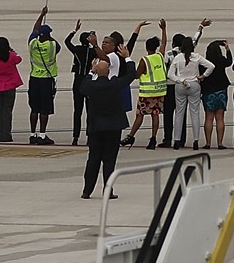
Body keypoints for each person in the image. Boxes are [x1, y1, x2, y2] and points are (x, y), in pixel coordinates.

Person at [80, 56, 127, 200]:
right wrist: (128, 58)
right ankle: (108, 190)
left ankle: (87, 190)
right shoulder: (115, 84)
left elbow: (82, 86)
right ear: (108, 72)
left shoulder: (91, 87)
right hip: (113, 128)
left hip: (96, 128)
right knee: (109, 161)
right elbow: (131, 74)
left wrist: (91, 71)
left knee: (93, 159)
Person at [167, 29, 214, 150]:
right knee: (195, 113)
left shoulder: (178, 58)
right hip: (194, 84)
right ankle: (196, 140)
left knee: (179, 113)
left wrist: (179, 80)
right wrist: (203, 76)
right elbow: (211, 66)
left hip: (181, 85)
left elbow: (170, 74)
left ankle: (176, 140)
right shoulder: (196, 57)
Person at [124, 33, 168, 148]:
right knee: (155, 114)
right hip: (159, 92)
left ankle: (131, 136)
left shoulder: (144, 60)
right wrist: (163, 30)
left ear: (147, 48)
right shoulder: (160, 56)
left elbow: (137, 75)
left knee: (140, 115)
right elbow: (164, 43)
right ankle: (153, 138)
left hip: (147, 93)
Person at [26, 7, 59, 144]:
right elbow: (56, 44)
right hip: (46, 79)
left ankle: (32, 134)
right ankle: (42, 135)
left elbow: (34, 30)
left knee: (34, 108)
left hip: (34, 78)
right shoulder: (52, 45)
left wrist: (41, 15)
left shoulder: (32, 43)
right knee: (45, 109)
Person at [0, 36, 25, 142]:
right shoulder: (12, 57)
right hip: (9, 86)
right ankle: (7, 134)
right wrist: (12, 51)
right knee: (7, 111)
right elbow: (19, 58)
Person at [64, 25, 98, 146]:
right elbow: (100, 53)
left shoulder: (77, 50)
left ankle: (75, 137)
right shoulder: (93, 52)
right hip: (88, 79)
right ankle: (89, 136)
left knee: (77, 111)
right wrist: (95, 42)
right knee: (90, 111)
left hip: (78, 80)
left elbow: (66, 42)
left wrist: (74, 30)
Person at [201, 39, 233, 149]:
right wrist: (227, 49)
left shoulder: (205, 63)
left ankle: (208, 143)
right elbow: (229, 61)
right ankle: (220, 143)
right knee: (220, 118)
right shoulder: (221, 61)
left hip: (208, 92)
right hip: (221, 91)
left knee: (208, 118)